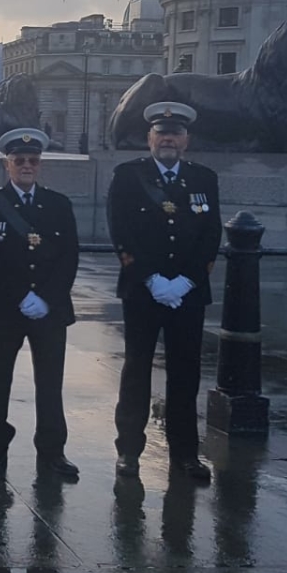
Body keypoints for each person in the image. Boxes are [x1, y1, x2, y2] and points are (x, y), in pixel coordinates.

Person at [107, 101, 221, 484]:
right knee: (136, 372)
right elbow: (121, 231)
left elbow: (211, 235)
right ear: (149, 138)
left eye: (175, 134)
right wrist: (152, 279)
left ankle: (186, 455)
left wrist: (187, 281)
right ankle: (128, 452)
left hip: (187, 293)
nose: (168, 139)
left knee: (185, 376)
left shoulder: (204, 178)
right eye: (161, 133)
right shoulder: (128, 176)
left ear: (186, 140)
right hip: (143, 290)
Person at [0, 127, 81, 480]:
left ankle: (52, 450)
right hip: (5, 308)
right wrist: (21, 295)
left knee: (50, 382)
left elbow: (68, 257)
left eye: (33, 160)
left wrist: (45, 298)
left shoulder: (59, 204)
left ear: (40, 164)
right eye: (19, 160)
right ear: (8, 164)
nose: (26, 166)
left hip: (48, 310)